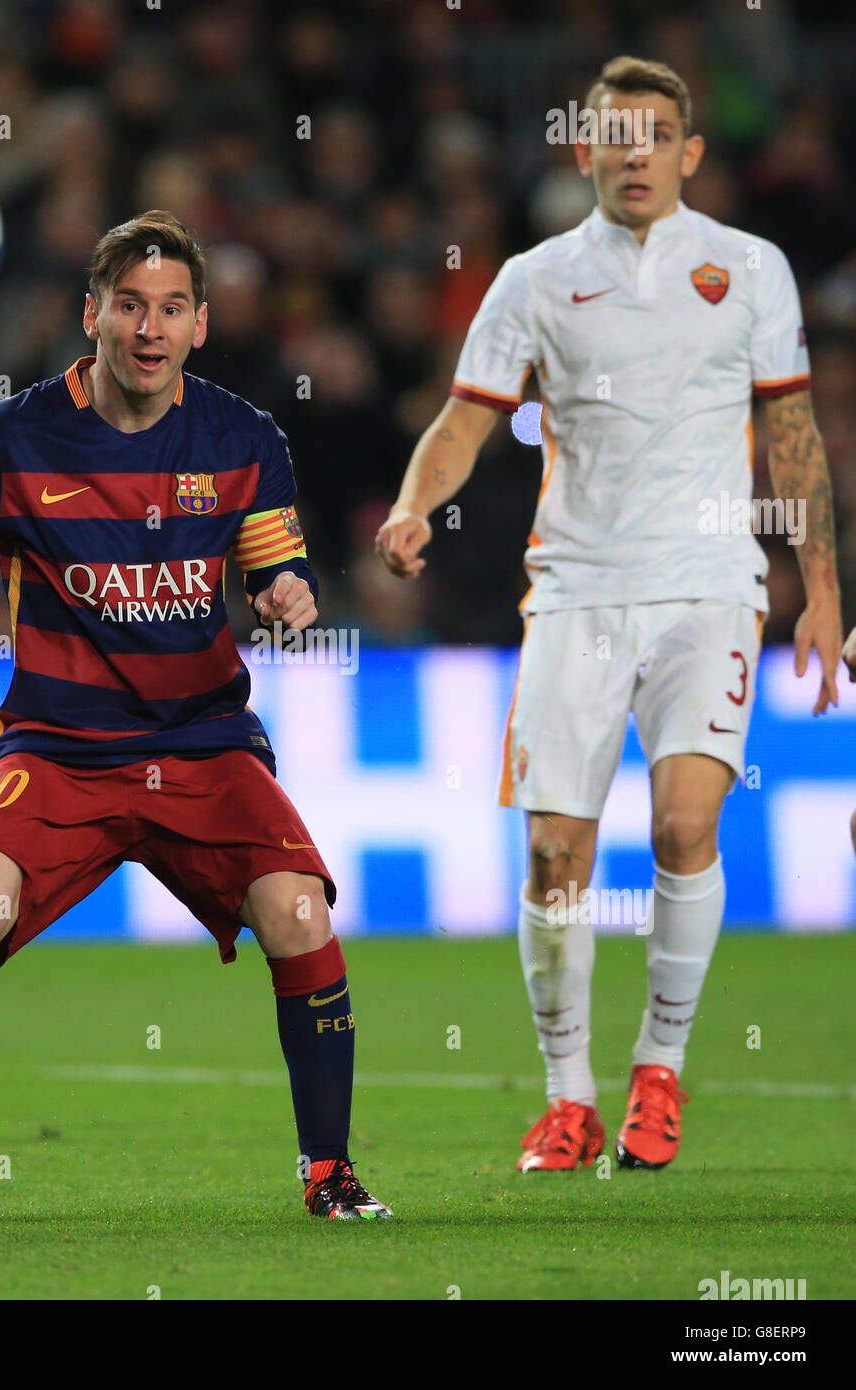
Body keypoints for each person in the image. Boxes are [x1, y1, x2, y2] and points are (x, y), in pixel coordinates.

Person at [0, 209, 391, 1222]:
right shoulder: (9, 441)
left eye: (171, 308)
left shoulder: (242, 436)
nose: (149, 327)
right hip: (59, 747)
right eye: (130, 305)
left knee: (299, 912)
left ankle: (328, 1170)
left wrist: (288, 595)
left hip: (202, 740)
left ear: (200, 326)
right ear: (91, 314)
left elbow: (276, 562)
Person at [377, 57, 842, 1171]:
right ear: (582, 150)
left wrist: (820, 587)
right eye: (613, 134)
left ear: (689, 152)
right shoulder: (533, 280)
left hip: (710, 587)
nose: (634, 152)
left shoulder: (750, 267)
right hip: (575, 590)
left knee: (684, 827)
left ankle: (658, 1073)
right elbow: (461, 419)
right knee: (552, 855)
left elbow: (793, 435)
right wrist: (408, 507)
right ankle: (566, 1097)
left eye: (656, 134)